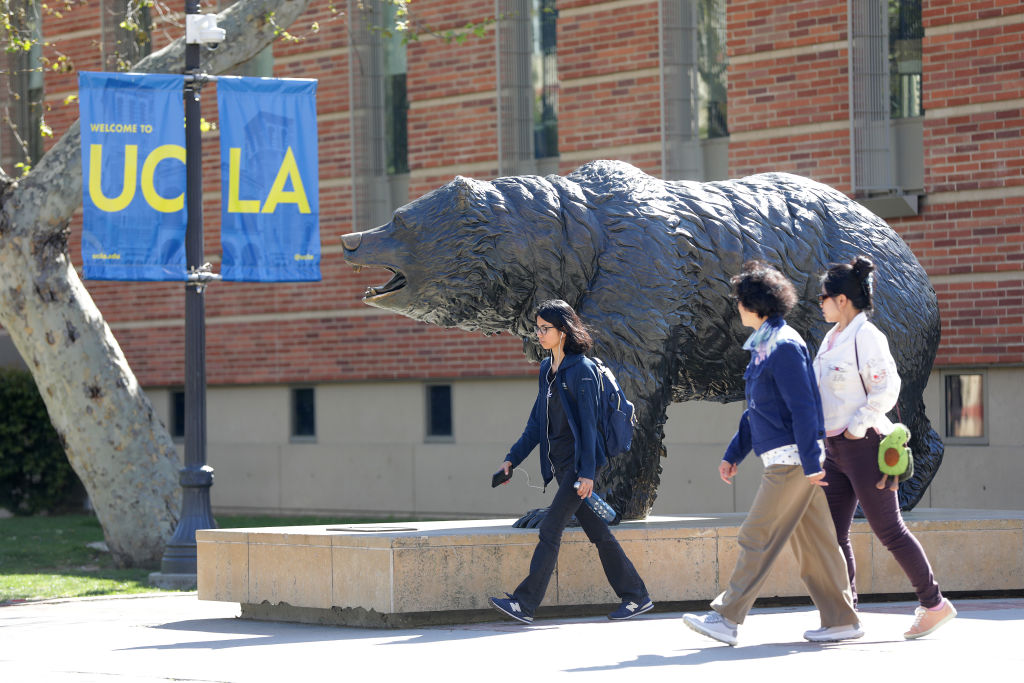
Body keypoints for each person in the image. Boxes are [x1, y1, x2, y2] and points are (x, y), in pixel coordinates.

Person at [683, 261, 860, 646]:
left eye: (739, 301)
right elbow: (757, 410)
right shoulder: (764, 345)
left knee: (756, 535)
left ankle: (727, 618)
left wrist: (813, 463)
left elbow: (803, 406)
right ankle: (842, 620)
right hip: (790, 460)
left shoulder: (783, 346)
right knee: (817, 545)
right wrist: (734, 453)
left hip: (793, 463)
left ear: (754, 303)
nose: (736, 307)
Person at [814, 256, 956, 639]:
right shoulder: (832, 339)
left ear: (842, 299)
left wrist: (859, 428)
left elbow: (887, 389)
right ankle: (845, 616)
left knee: (889, 530)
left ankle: (934, 603)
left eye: (823, 298)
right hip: (834, 449)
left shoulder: (867, 337)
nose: (820, 304)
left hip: (863, 445)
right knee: (833, 534)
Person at [488, 299, 653, 624]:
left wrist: (588, 474)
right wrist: (511, 460)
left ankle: (524, 603)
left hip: (579, 468)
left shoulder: (583, 372)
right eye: (537, 328)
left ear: (563, 331)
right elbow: (537, 424)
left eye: (545, 328)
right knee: (598, 533)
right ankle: (636, 596)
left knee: (550, 528)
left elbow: (590, 427)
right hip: (564, 467)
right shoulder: (546, 371)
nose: (539, 334)